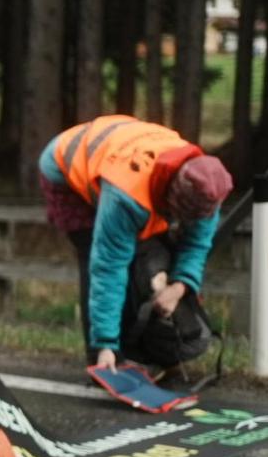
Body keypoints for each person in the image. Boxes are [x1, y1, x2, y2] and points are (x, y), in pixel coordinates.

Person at [38, 115, 232, 370]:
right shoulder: (127, 195)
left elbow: (196, 245)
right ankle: (103, 354)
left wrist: (179, 287)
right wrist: (106, 343)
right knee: (97, 256)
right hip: (65, 170)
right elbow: (107, 266)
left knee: (151, 262)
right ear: (171, 197)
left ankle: (144, 348)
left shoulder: (208, 187)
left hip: (118, 151)